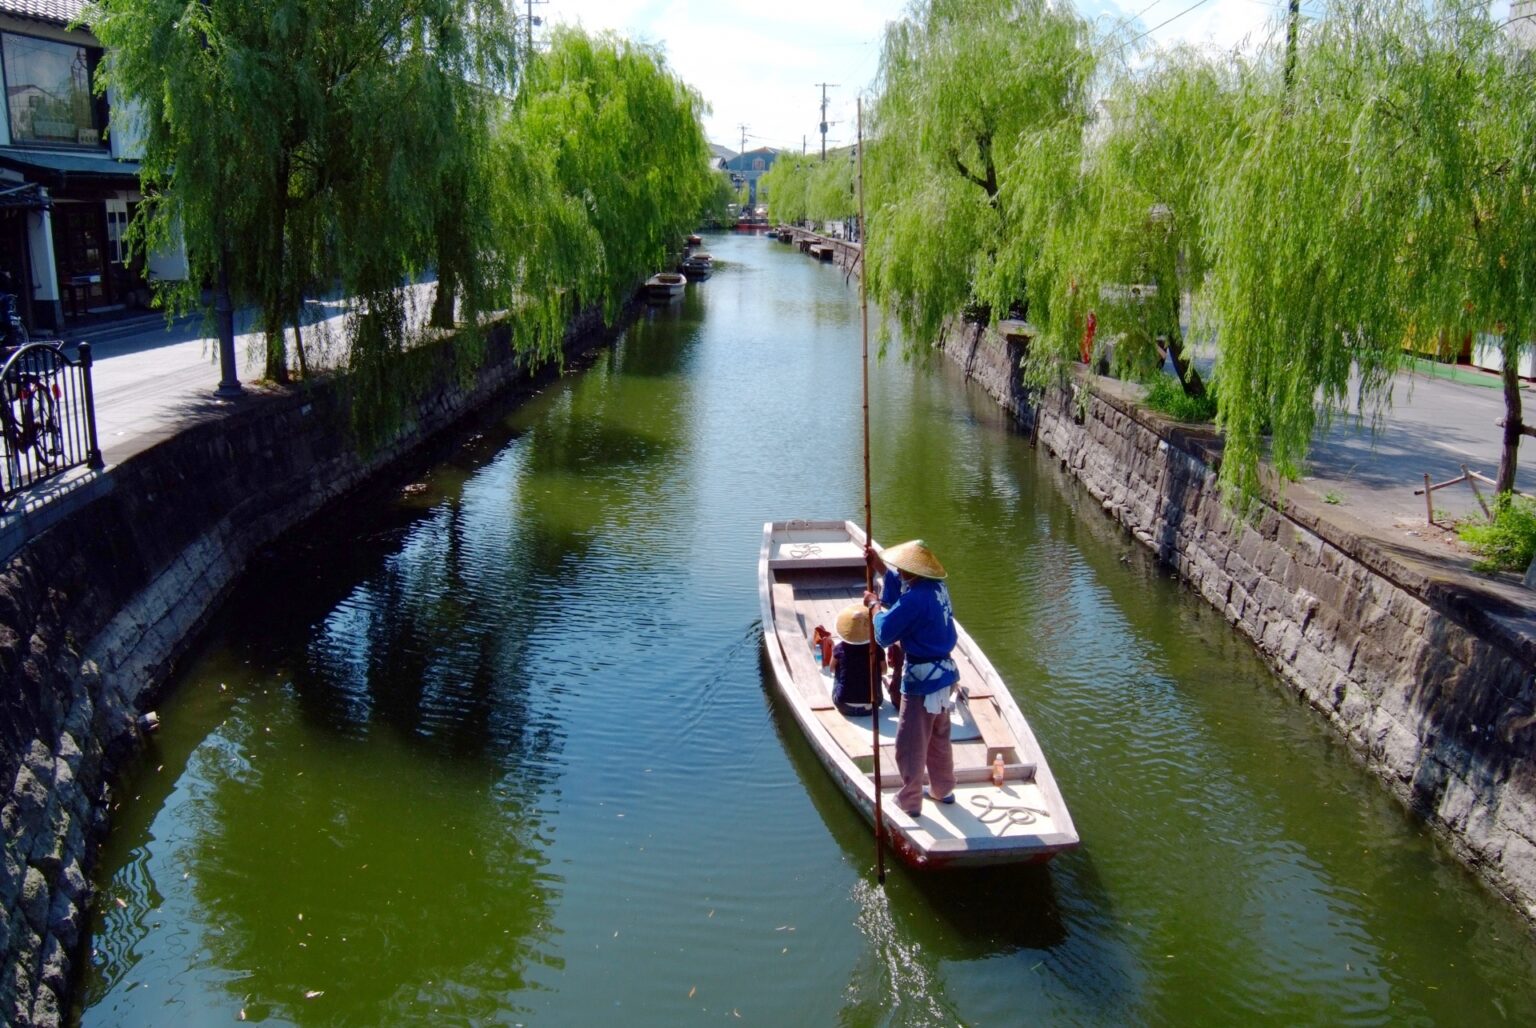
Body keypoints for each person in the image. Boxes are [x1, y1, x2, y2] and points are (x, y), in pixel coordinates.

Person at [863, 539, 959, 817]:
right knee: (939, 736)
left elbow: (884, 633)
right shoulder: (936, 587)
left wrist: (874, 606)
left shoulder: (915, 600)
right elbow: (904, 588)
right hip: (945, 676)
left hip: (923, 681)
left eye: (901, 568)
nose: (899, 571)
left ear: (911, 571)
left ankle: (910, 801)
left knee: (910, 744)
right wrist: (880, 568)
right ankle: (943, 788)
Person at [827, 602, 885, 717]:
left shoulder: (839, 648)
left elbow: (832, 669)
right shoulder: (876, 649)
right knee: (876, 673)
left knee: (839, 672)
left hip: (844, 705)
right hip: (872, 706)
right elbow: (883, 671)